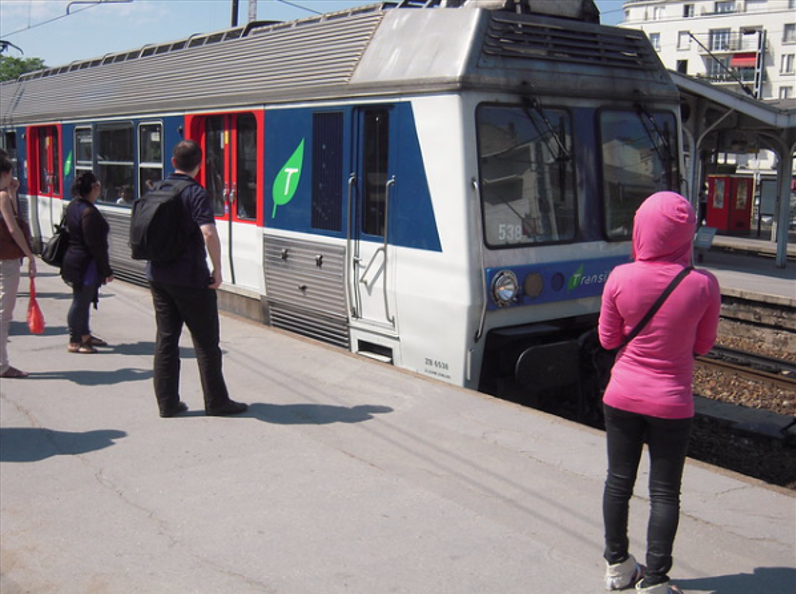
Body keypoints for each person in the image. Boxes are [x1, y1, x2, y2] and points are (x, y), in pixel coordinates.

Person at [598, 191, 721, 594]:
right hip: (672, 402)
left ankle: (617, 566)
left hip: (621, 397)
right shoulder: (704, 284)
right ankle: (654, 581)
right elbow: (702, 346)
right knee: (665, 492)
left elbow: (607, 339)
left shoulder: (620, 277)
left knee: (618, 482)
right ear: (686, 234)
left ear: (642, 228)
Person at [147, 139, 247, 418]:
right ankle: (216, 401)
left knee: (166, 340)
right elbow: (208, 233)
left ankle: (167, 403)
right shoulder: (195, 193)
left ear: (172, 162)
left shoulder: (157, 188)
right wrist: (217, 268)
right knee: (205, 342)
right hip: (190, 278)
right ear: (200, 164)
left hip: (158, 274)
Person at [61, 171, 114, 354]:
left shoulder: (74, 205)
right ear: (93, 187)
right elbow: (95, 245)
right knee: (80, 301)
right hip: (85, 264)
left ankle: (84, 335)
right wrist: (106, 270)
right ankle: (75, 341)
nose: (99, 188)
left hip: (74, 259)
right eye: (97, 184)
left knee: (83, 299)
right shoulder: (89, 212)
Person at [0, 153, 37, 378]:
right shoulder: (2, 196)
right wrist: (30, 255)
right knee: (4, 314)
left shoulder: (6, 195)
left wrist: (13, 192)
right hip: (6, 262)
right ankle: (2, 365)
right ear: (5, 174)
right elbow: (14, 227)